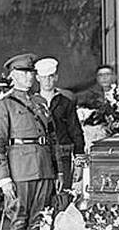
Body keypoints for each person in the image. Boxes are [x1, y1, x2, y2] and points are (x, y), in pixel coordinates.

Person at [0, 53, 60, 230]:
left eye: (31, 72)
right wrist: (3, 178)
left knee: (42, 220)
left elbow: (52, 139)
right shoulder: (4, 104)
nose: (29, 77)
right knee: (19, 220)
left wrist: (58, 172)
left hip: (44, 168)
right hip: (19, 171)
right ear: (13, 76)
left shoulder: (40, 103)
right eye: (23, 73)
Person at [36, 57, 87, 209]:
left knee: (63, 195)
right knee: (41, 196)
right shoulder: (32, 103)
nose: (48, 81)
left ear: (56, 77)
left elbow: (76, 132)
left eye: (51, 76)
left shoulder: (65, 102)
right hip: (40, 155)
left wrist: (79, 163)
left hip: (63, 154)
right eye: (44, 77)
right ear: (38, 78)